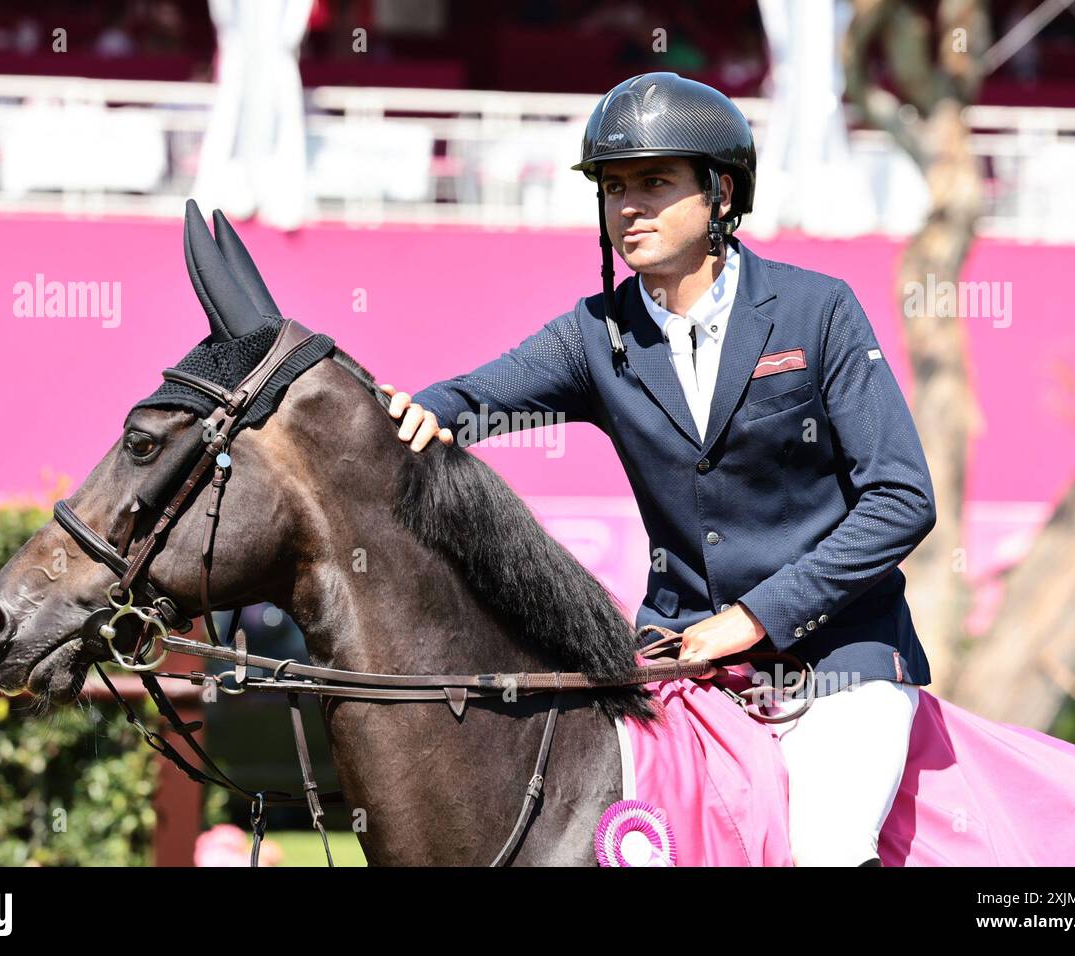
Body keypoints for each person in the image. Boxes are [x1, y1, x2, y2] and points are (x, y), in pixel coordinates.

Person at [381, 72, 936, 867]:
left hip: (839, 660)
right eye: (612, 188)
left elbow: (902, 500)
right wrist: (409, 413)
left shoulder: (819, 311)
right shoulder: (596, 335)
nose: (627, 207)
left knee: (823, 849)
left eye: (653, 182)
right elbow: (472, 398)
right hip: (676, 657)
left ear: (720, 193)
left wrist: (754, 619)